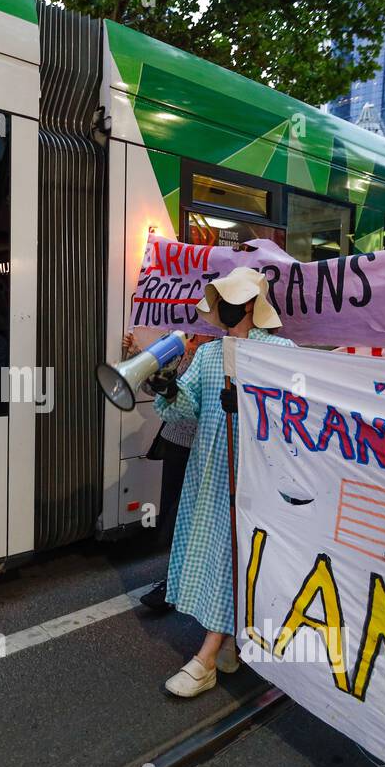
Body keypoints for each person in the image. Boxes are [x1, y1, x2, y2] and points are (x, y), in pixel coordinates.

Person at [151, 267, 294, 698]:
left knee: (233, 555)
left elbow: (293, 416)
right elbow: (183, 410)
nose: (222, 308)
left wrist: (251, 407)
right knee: (218, 553)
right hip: (210, 470)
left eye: (228, 299)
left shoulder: (280, 351)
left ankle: (206, 659)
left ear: (251, 303)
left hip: (254, 476)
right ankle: (230, 642)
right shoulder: (211, 354)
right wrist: (171, 390)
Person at [123, 330, 215, 613]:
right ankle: (174, 581)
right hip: (177, 442)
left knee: (189, 517)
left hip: (204, 445)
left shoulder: (213, 350)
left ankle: (177, 586)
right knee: (173, 514)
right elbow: (155, 390)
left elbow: (195, 400)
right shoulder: (181, 344)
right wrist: (140, 358)